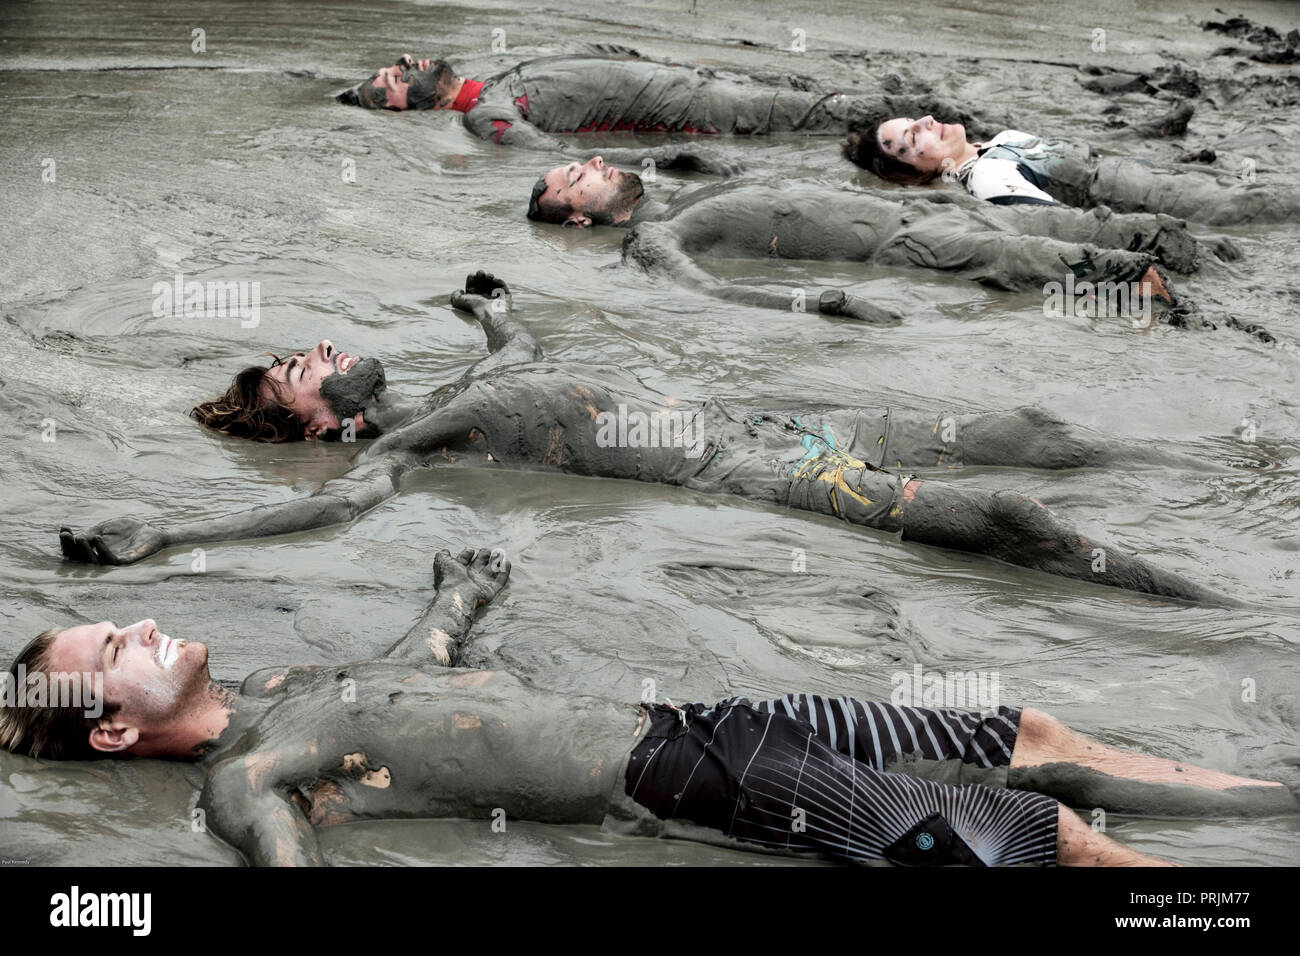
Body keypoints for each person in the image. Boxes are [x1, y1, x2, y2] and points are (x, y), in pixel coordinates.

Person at [3, 549, 1292, 866]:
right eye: (114, 643)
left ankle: (1278, 802)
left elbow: (418, 676)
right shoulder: (239, 776)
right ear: (111, 727)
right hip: (688, 779)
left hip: (699, 709)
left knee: (1030, 738)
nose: (140, 623)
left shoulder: (284, 686)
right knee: (1038, 844)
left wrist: (454, 596)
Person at [58, 272, 1227, 602]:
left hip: (780, 417)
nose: (313, 349)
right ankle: (1231, 618)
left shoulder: (451, 388)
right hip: (752, 467)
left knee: (1029, 431)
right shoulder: (404, 451)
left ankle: (1224, 473)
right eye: (295, 373)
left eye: (304, 347)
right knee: (1014, 519)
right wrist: (173, 527)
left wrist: (492, 308)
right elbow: (334, 511)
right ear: (322, 425)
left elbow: (521, 358)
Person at [529, 156, 1206, 324]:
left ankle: (1204, 263)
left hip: (924, 212)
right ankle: (1148, 292)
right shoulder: (650, 240)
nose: (591, 166)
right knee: (1052, 263)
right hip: (903, 250)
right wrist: (824, 302)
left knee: (1122, 229)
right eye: (572, 180)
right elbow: (711, 291)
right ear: (578, 221)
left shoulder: (681, 195)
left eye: (583, 162)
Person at [336, 52, 995, 175]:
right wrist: (663, 163)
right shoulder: (486, 116)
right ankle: (986, 138)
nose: (401, 63)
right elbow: (544, 155)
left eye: (395, 66)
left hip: (708, 84)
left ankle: (975, 133)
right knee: (847, 113)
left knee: (848, 108)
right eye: (387, 83)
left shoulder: (499, 75)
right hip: (710, 112)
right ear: (399, 113)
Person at [844, 113, 1300, 226]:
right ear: (918, 173)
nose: (925, 123)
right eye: (910, 141)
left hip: (1178, 183)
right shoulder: (987, 178)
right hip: (1184, 204)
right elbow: (1066, 224)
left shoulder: (997, 143)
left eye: (914, 121)